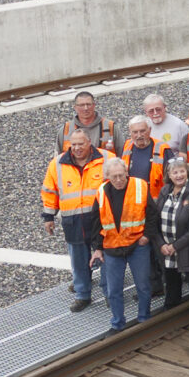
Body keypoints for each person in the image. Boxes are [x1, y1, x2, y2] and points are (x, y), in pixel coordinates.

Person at [41, 128, 110, 312]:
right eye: (74, 144)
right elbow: (50, 190)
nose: (77, 148)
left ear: (90, 143)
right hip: (73, 221)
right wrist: (48, 216)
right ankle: (82, 294)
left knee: (106, 258)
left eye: (81, 144)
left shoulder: (107, 159)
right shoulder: (57, 164)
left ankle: (109, 293)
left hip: (101, 220)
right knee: (78, 261)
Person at [94, 159, 154, 335]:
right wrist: (98, 247)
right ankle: (117, 323)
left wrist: (146, 236)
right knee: (114, 290)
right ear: (108, 177)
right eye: (114, 177)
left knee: (143, 285)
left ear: (126, 173)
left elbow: (152, 213)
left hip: (137, 245)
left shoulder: (140, 186)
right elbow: (95, 222)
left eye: (121, 175)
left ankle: (144, 318)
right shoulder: (101, 192)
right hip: (112, 248)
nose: (119, 180)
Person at [118, 115, 171, 296]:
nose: (139, 135)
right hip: (135, 211)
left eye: (142, 131)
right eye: (135, 132)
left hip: (158, 209)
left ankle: (171, 285)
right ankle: (154, 286)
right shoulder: (127, 147)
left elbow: (172, 181)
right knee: (144, 251)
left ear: (149, 130)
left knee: (161, 248)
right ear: (130, 133)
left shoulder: (163, 150)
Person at [158, 151, 189, 331]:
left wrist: (175, 246)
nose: (179, 175)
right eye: (175, 172)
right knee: (171, 280)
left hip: (187, 247)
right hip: (167, 247)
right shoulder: (165, 191)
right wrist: (162, 244)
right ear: (169, 175)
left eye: (181, 171)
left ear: (187, 172)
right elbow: (155, 219)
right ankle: (172, 309)